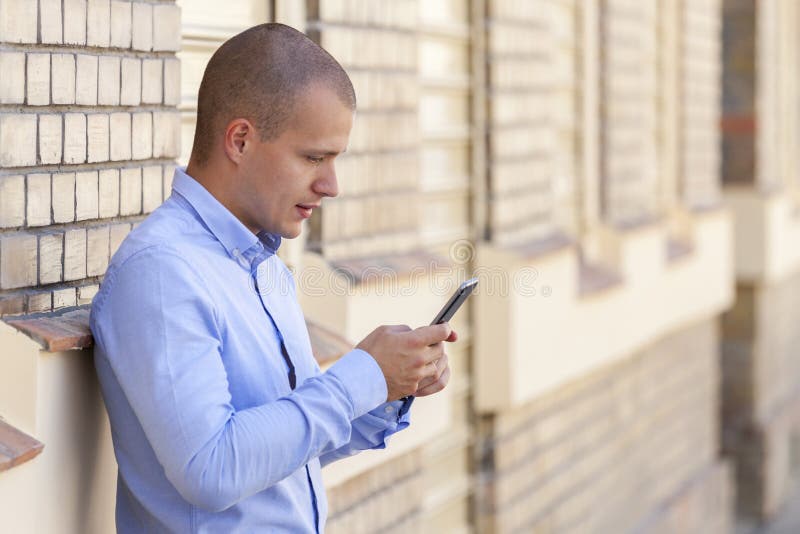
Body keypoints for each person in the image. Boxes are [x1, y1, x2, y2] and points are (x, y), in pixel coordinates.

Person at [90, 23, 455, 533]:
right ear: (240, 140)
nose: (330, 185)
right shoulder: (162, 272)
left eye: (335, 160)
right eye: (313, 157)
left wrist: (390, 388)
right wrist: (362, 376)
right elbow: (212, 468)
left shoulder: (264, 266)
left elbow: (286, 447)